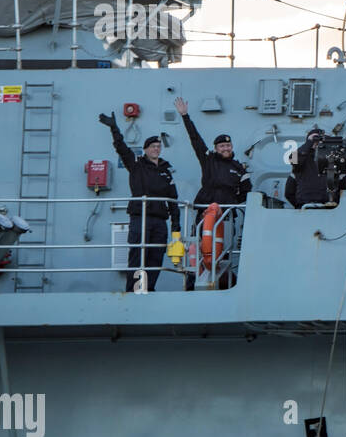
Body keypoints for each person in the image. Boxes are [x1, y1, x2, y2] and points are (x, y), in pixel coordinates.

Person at [99, 111, 180, 292]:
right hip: (140, 218)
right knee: (137, 256)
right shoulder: (136, 165)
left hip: (160, 220)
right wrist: (114, 127)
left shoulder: (166, 171)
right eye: (152, 146)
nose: (156, 149)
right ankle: (135, 290)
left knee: (156, 257)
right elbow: (121, 148)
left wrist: (176, 226)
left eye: (158, 146)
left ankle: (149, 289)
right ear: (145, 150)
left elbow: (173, 199)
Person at [174, 98, 250, 288]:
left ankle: (223, 283)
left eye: (228, 145)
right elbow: (195, 139)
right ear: (216, 148)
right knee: (199, 249)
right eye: (222, 146)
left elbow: (246, 192)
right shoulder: (209, 161)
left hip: (225, 216)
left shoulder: (239, 168)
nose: (226, 148)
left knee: (222, 250)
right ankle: (193, 281)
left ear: (232, 147)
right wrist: (185, 116)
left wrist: (232, 201)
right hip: (205, 213)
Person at [290, 126, 346, 207]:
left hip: (331, 208)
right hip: (304, 208)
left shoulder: (335, 161)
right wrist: (309, 142)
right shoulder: (301, 161)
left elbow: (345, 190)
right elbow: (292, 159)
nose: (318, 143)